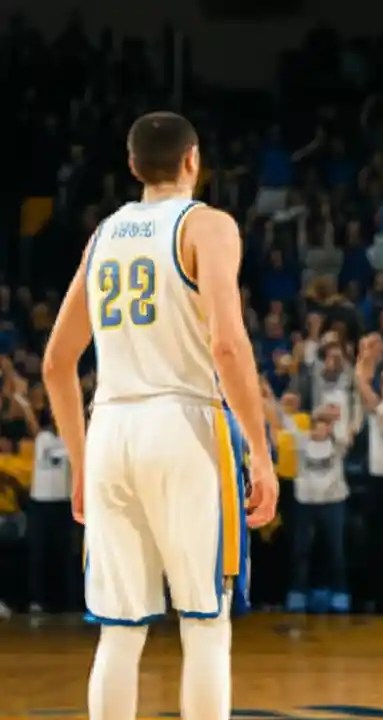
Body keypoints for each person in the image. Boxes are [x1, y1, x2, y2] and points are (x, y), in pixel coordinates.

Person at [41, 111, 279, 720]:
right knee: (205, 622)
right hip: (184, 424)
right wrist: (259, 448)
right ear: (194, 159)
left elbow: (56, 363)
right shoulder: (208, 226)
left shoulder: (102, 236)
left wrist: (79, 460)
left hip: (111, 428)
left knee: (119, 632)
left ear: (131, 166)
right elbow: (228, 344)